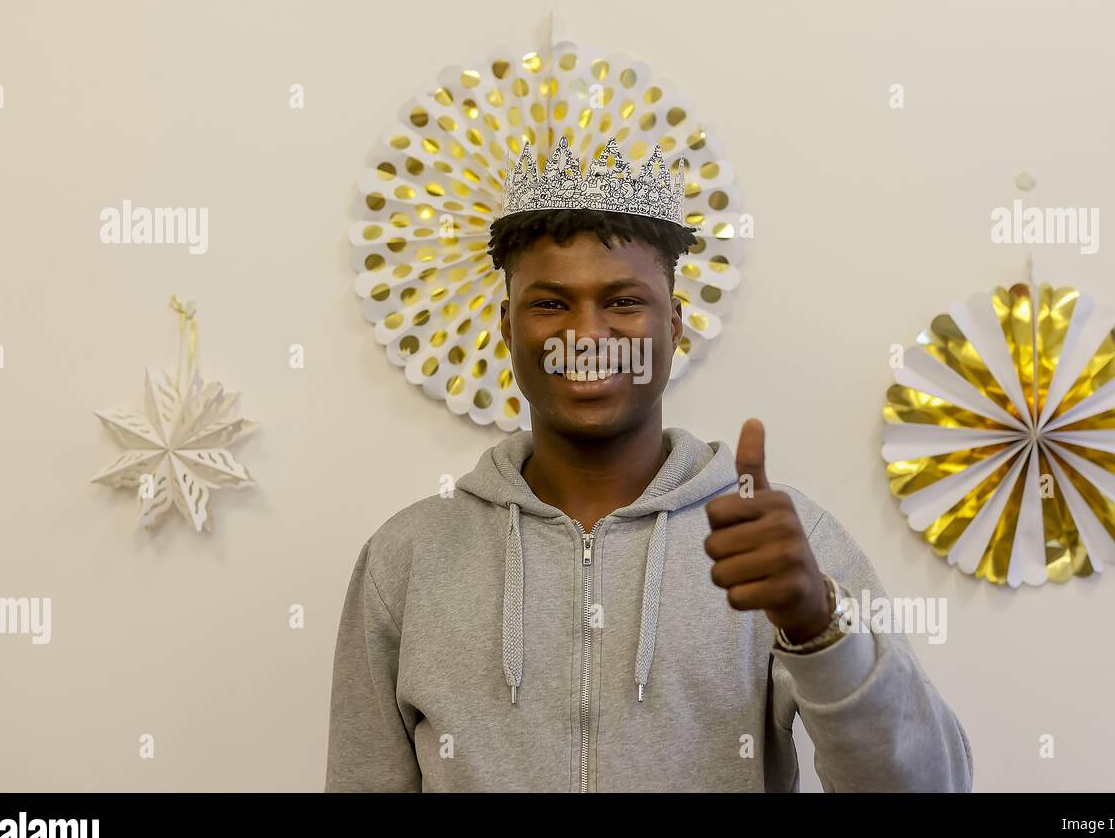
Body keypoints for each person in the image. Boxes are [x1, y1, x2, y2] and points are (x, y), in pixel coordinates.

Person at [325, 136, 973, 791]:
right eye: (551, 304)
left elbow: (932, 785)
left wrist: (820, 627)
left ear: (674, 324)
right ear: (505, 326)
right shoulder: (407, 557)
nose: (587, 336)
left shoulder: (779, 540)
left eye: (623, 302)